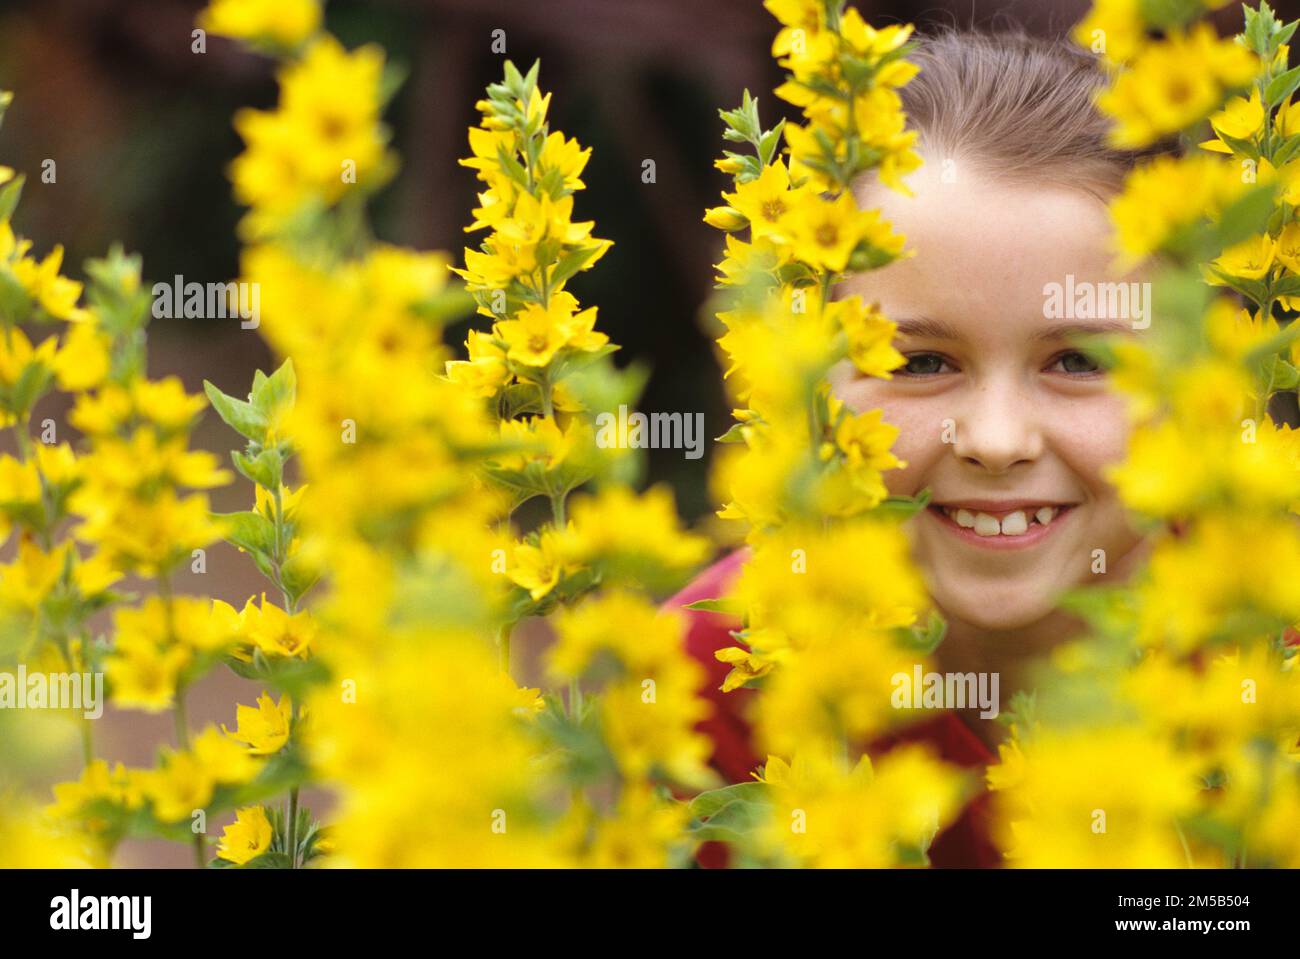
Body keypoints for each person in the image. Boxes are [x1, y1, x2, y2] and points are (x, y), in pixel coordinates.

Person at [672, 27, 1175, 868]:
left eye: (1080, 360)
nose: (996, 440)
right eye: (923, 362)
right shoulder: (703, 687)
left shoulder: (1268, 658)